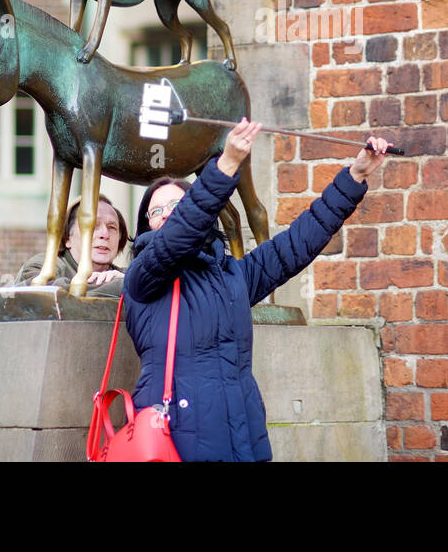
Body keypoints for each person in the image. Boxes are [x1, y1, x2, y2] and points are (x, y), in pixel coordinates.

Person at [124, 119, 389, 461]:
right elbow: (180, 233)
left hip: (242, 436)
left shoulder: (231, 275)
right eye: (155, 211)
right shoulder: (144, 276)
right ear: (147, 224)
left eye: (176, 205)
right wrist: (227, 164)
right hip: (175, 440)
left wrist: (355, 176)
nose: (166, 215)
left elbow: (296, 244)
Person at [15, 195, 128, 296]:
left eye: (112, 227)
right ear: (68, 237)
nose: (105, 234)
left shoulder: (125, 275)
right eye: (93, 226)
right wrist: (126, 285)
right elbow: (50, 295)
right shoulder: (43, 266)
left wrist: (126, 279)